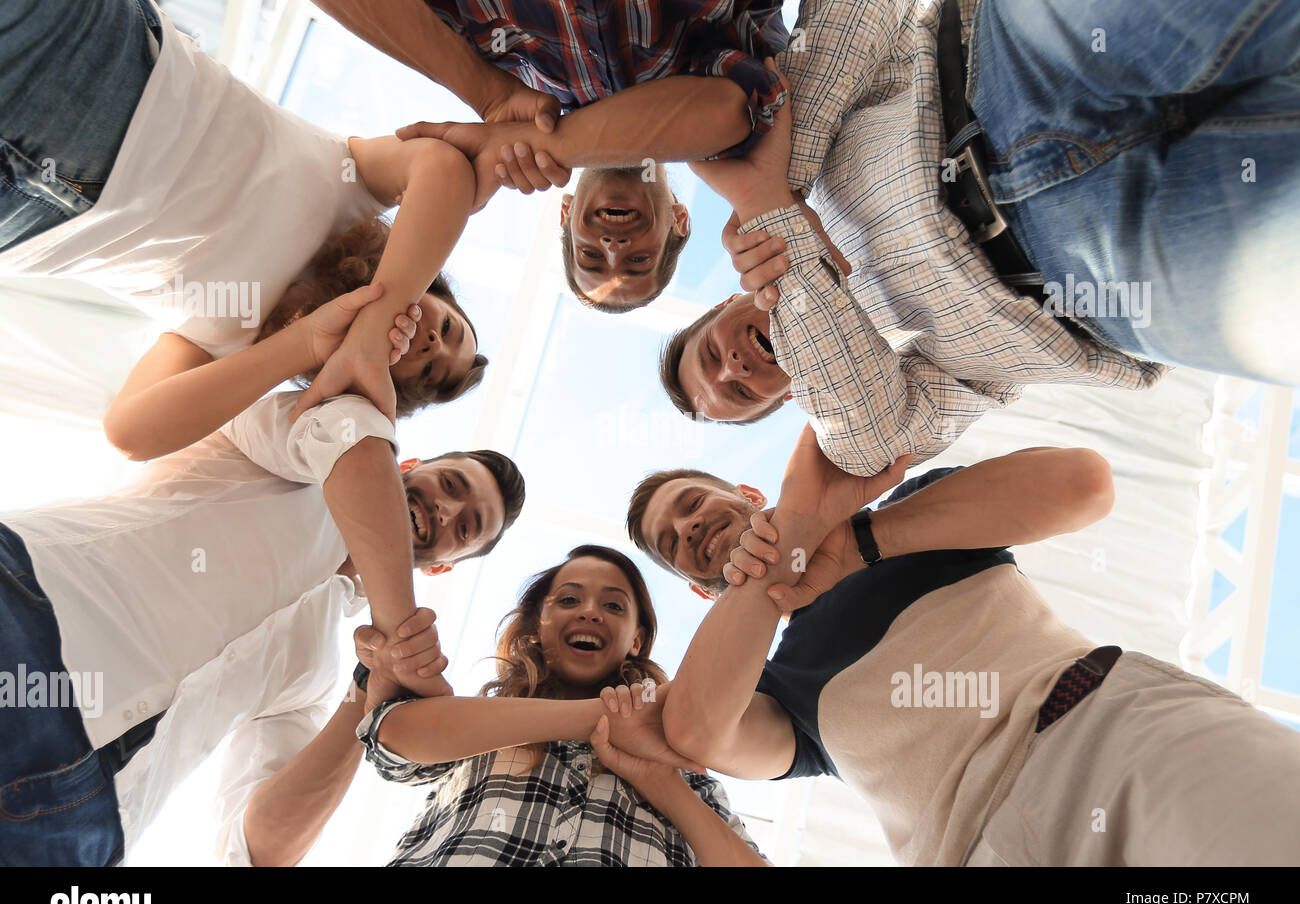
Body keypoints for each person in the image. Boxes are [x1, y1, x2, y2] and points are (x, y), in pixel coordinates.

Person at [665, 0, 1300, 474]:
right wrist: (767, 208)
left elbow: (859, 10)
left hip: (1011, 70)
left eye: (711, 359)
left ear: (722, 307)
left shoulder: (783, 138)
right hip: (1107, 279)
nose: (735, 369)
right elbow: (873, 442)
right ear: (790, 392)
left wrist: (791, 179)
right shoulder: (884, 390)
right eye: (741, 393)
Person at [633, 428, 1300, 865]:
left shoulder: (910, 517)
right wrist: (787, 542)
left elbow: (1084, 485)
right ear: (699, 591)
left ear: (748, 494)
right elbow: (693, 731)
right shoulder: (778, 698)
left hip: (1109, 732)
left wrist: (863, 539)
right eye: (673, 542)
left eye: (691, 504)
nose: (689, 527)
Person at [0, 389, 525, 865]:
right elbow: (353, 432)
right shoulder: (288, 459)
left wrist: (371, 693)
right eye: (451, 484)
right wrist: (399, 626)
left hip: (78, 819)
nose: (446, 507)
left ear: (442, 566)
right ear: (408, 462)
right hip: (28, 615)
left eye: (466, 527)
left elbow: (259, 848)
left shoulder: (320, 671)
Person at [0, 0, 487, 459]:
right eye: (449, 328)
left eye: (428, 369)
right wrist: (376, 321)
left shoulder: (245, 345)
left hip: (34, 218)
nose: (432, 344)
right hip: (109, 72)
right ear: (438, 290)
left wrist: (308, 344)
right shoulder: (357, 189)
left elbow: (129, 433)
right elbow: (443, 166)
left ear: (390, 381)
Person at [256, 545, 767, 866]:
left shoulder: (682, 766)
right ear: (536, 629)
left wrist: (659, 782)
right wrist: (609, 719)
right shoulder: (479, 723)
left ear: (636, 641)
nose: (590, 611)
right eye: (568, 600)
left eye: (613, 605)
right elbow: (392, 734)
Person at [320, 0, 788, 310]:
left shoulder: (492, 59)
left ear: (566, 212)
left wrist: (488, 95)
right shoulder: (711, 103)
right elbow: (739, 101)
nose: (613, 248)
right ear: (679, 222)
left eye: (589, 255)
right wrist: (528, 138)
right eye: (638, 262)